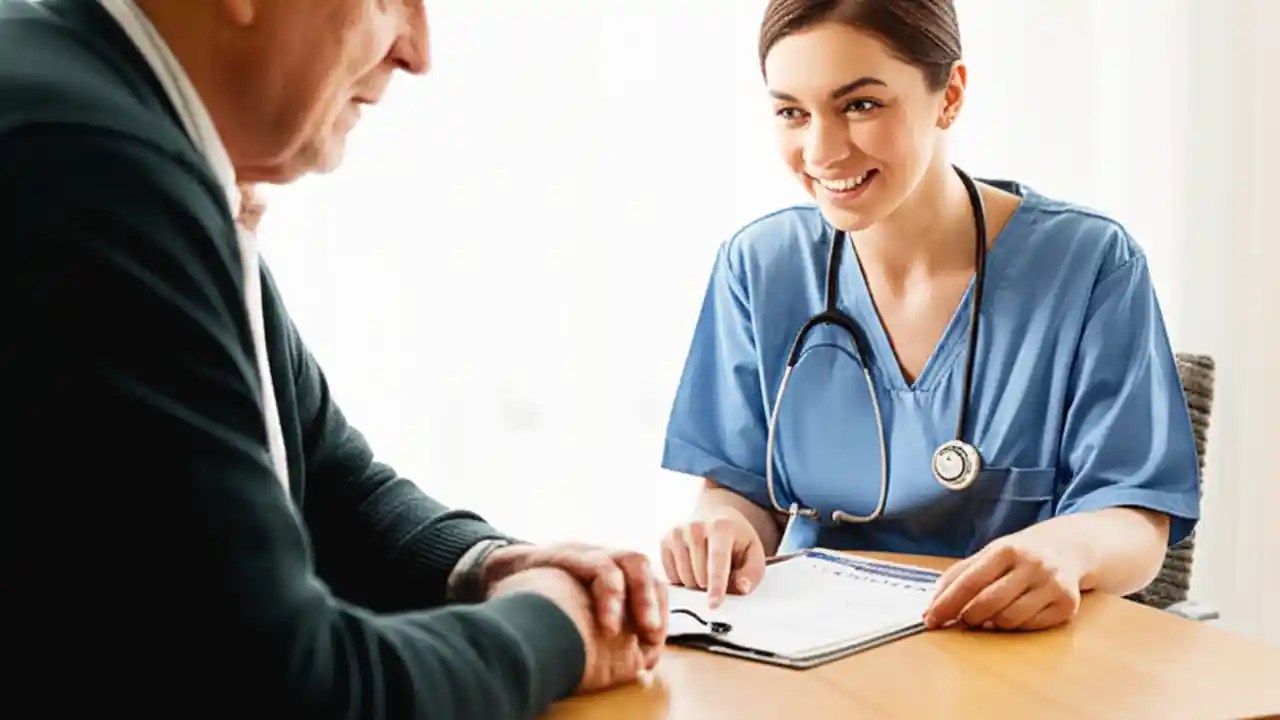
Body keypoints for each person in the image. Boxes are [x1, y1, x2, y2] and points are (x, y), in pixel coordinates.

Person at [2, 1, 667, 717]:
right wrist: (555, 626)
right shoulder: (82, 162)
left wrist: (486, 566)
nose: (416, 51)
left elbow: (320, 478)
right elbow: (295, 690)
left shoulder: (108, 112)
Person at [658, 0, 1200, 634]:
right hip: (812, 655)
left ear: (950, 96)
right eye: (792, 113)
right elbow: (739, 488)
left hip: (1014, 656)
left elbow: (1138, 519)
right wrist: (722, 528)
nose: (822, 150)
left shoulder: (1087, 265)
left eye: (861, 104)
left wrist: (1068, 550)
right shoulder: (759, 266)